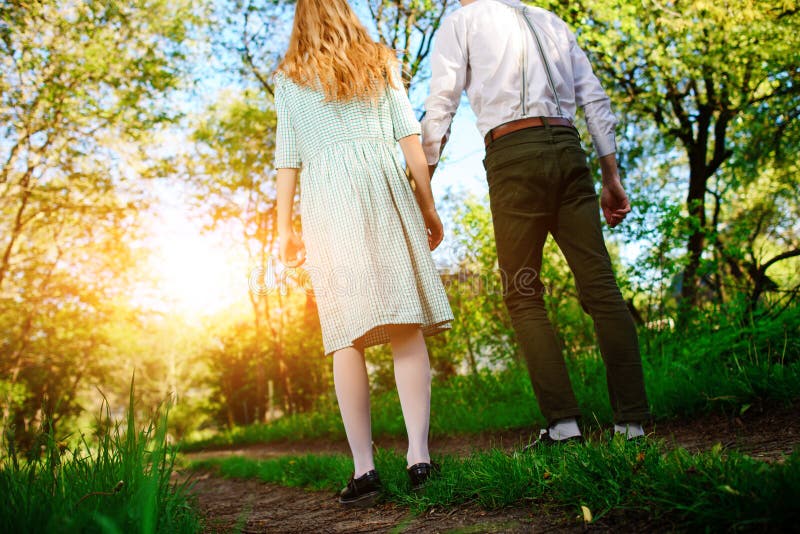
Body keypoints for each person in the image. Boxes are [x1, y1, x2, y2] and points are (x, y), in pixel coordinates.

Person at [422, 0, 649, 445]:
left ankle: (563, 427)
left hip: (512, 154)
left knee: (523, 293)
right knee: (601, 287)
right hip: (568, 146)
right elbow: (595, 98)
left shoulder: (462, 21)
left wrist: (423, 186)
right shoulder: (552, 22)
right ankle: (633, 424)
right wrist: (611, 176)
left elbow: (442, 105)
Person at [274, 0, 453, 507]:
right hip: (381, 185)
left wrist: (283, 229)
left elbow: (288, 156)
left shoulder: (289, 77)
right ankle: (419, 456)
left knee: (343, 333)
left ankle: (364, 469)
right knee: (405, 322)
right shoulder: (379, 59)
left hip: (327, 199)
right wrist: (427, 203)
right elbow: (407, 135)